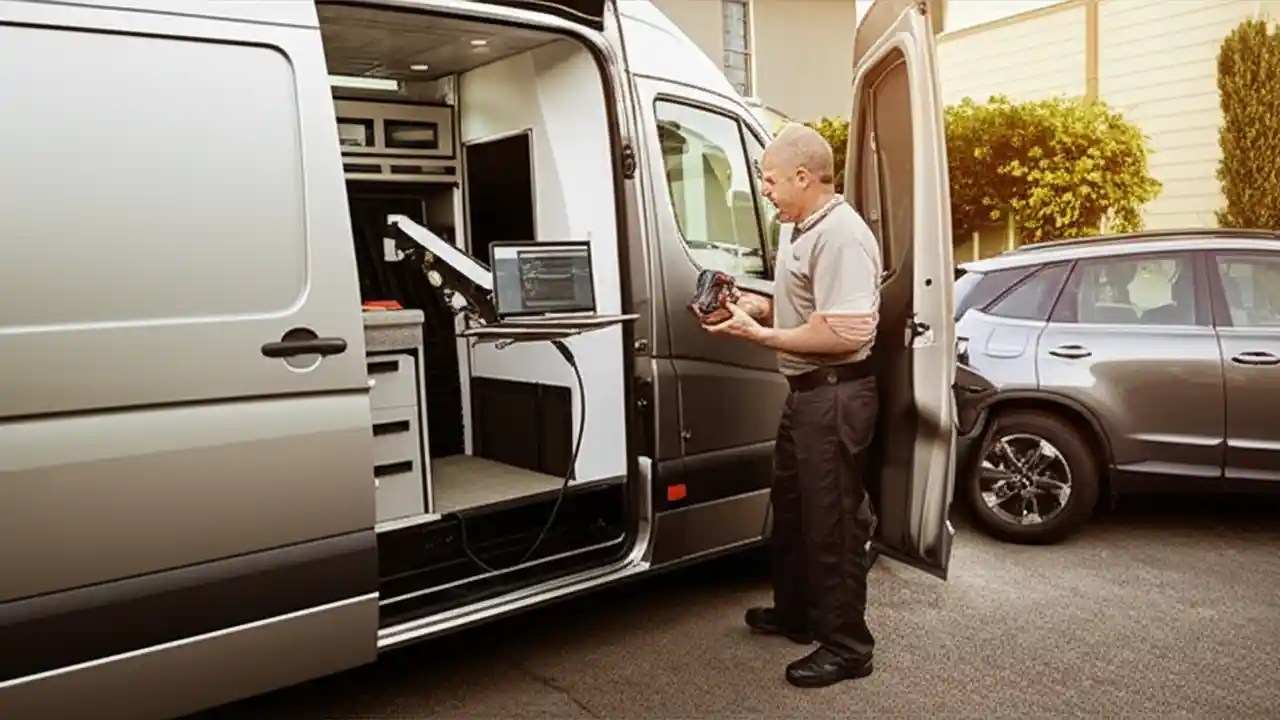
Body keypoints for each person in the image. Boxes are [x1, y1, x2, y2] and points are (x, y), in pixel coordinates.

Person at [698, 123, 882, 689]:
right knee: (795, 511)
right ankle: (799, 614)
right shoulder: (800, 229)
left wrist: (758, 336)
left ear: (803, 177)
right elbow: (803, 308)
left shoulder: (842, 236)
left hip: (835, 392)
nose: (764, 190)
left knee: (834, 523)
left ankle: (848, 647)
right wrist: (750, 306)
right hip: (807, 393)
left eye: (770, 179)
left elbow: (846, 332)